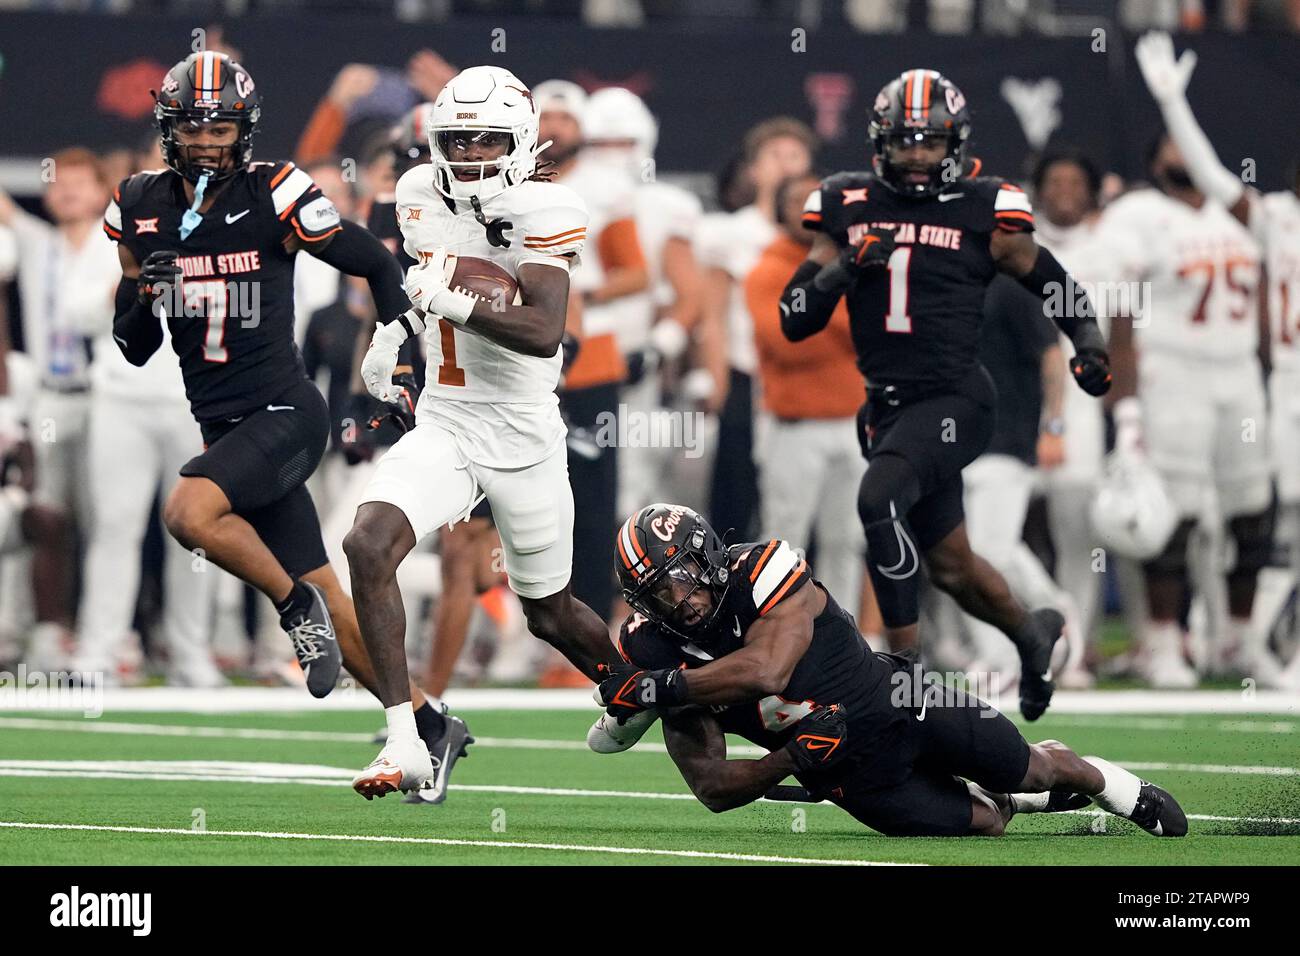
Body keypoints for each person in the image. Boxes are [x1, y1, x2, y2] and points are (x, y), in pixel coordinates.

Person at [107, 52, 459, 782]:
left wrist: (399, 351)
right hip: (225, 428)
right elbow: (132, 346)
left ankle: (290, 604)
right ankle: (427, 722)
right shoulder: (140, 203)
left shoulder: (276, 192)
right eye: (194, 129)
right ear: (169, 130)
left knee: (188, 513)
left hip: (288, 412)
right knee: (334, 592)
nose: (207, 142)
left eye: (221, 128)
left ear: (246, 127)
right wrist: (145, 296)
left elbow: (377, 264)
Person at [780, 69, 1112, 720]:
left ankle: (903, 669)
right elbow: (796, 315)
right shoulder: (847, 204)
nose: (915, 156)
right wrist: (848, 266)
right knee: (953, 566)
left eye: (929, 143)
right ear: (879, 143)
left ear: (955, 144)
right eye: (903, 143)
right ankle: (1031, 633)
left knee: (877, 499)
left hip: (958, 400)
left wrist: (1090, 343)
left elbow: (1054, 281)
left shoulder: (985, 208)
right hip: (885, 405)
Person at [345, 66, 622, 799]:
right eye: (455, 139)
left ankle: (635, 693)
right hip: (447, 419)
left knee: (551, 614)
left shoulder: (548, 205)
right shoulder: (414, 194)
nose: (467, 153)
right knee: (367, 542)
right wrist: (397, 330)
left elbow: (541, 331)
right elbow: (423, 288)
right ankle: (406, 740)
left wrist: (446, 301)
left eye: (485, 140)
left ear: (522, 140)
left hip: (524, 434)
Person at [593, 503, 1187, 838]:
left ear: (710, 556)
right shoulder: (654, 648)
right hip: (846, 773)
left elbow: (768, 671)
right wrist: (793, 760)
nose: (682, 599)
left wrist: (661, 687)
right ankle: (1009, 800)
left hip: (900, 699)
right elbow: (711, 788)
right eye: (660, 593)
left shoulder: (764, 569)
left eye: (685, 575)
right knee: (988, 825)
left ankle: (1109, 783)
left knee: (1030, 769)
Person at [1137, 30, 1299, 688]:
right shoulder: (1275, 216)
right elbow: (1209, 176)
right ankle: (1221, 641)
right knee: (1265, 515)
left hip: (1253, 383)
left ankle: (1250, 643)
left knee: (1261, 517)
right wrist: (1174, 105)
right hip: (1282, 385)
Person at [747, 171, 866, 608]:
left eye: (815, 199)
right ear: (779, 210)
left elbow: (874, 334)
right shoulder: (766, 268)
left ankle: (848, 643)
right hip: (793, 427)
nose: (807, 209)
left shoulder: (855, 262)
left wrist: (819, 313)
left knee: (847, 541)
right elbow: (787, 341)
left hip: (853, 423)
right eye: (796, 200)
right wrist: (842, 320)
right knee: (783, 546)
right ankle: (776, 637)